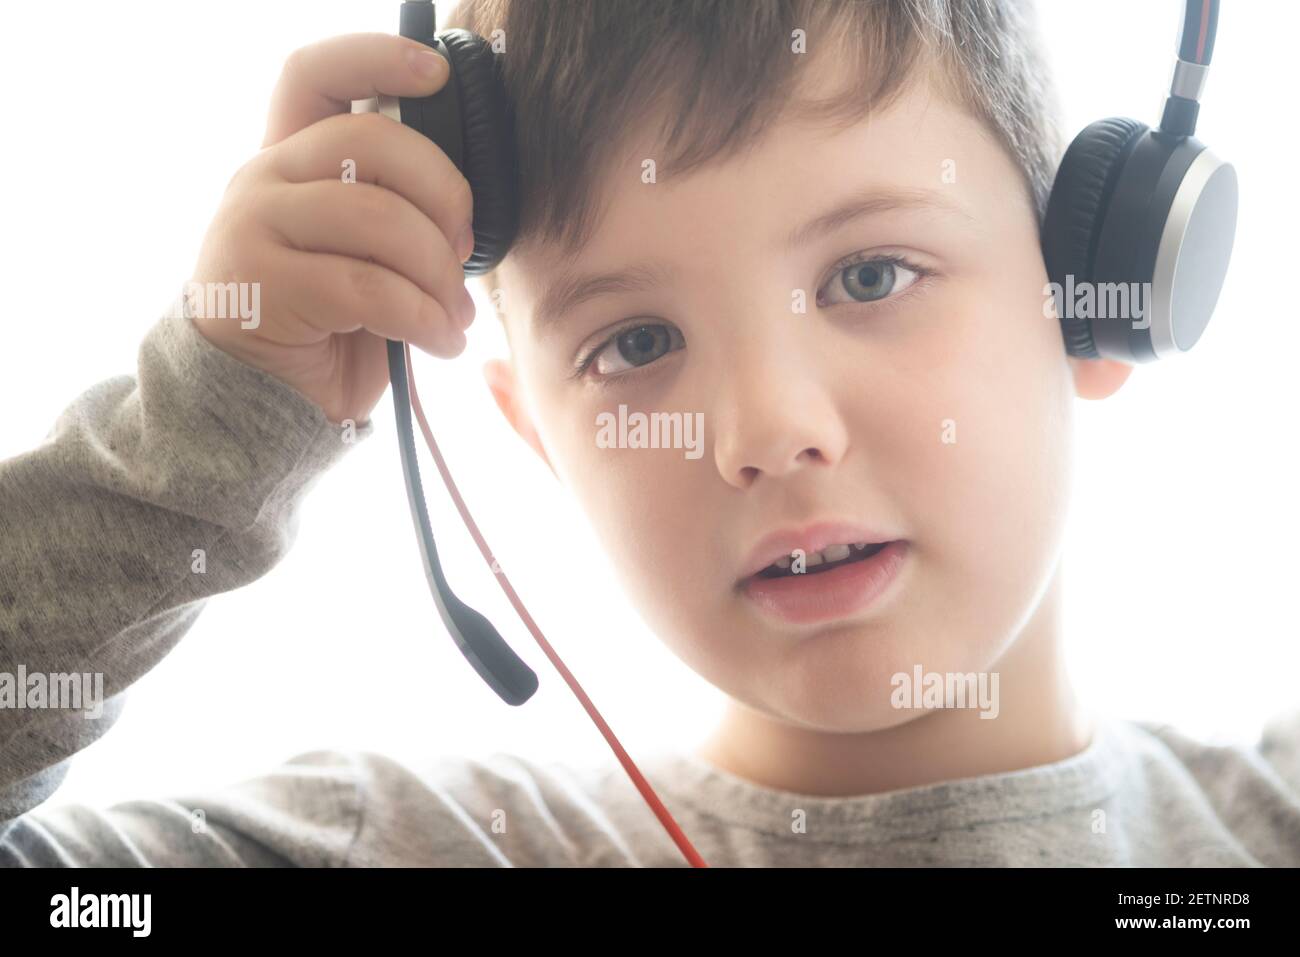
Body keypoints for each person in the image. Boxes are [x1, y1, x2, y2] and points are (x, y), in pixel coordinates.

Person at [2, 0, 1297, 867]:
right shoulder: (411, 845)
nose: (766, 429)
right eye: (633, 344)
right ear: (538, 438)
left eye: (869, 276)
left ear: (1097, 297)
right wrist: (214, 422)